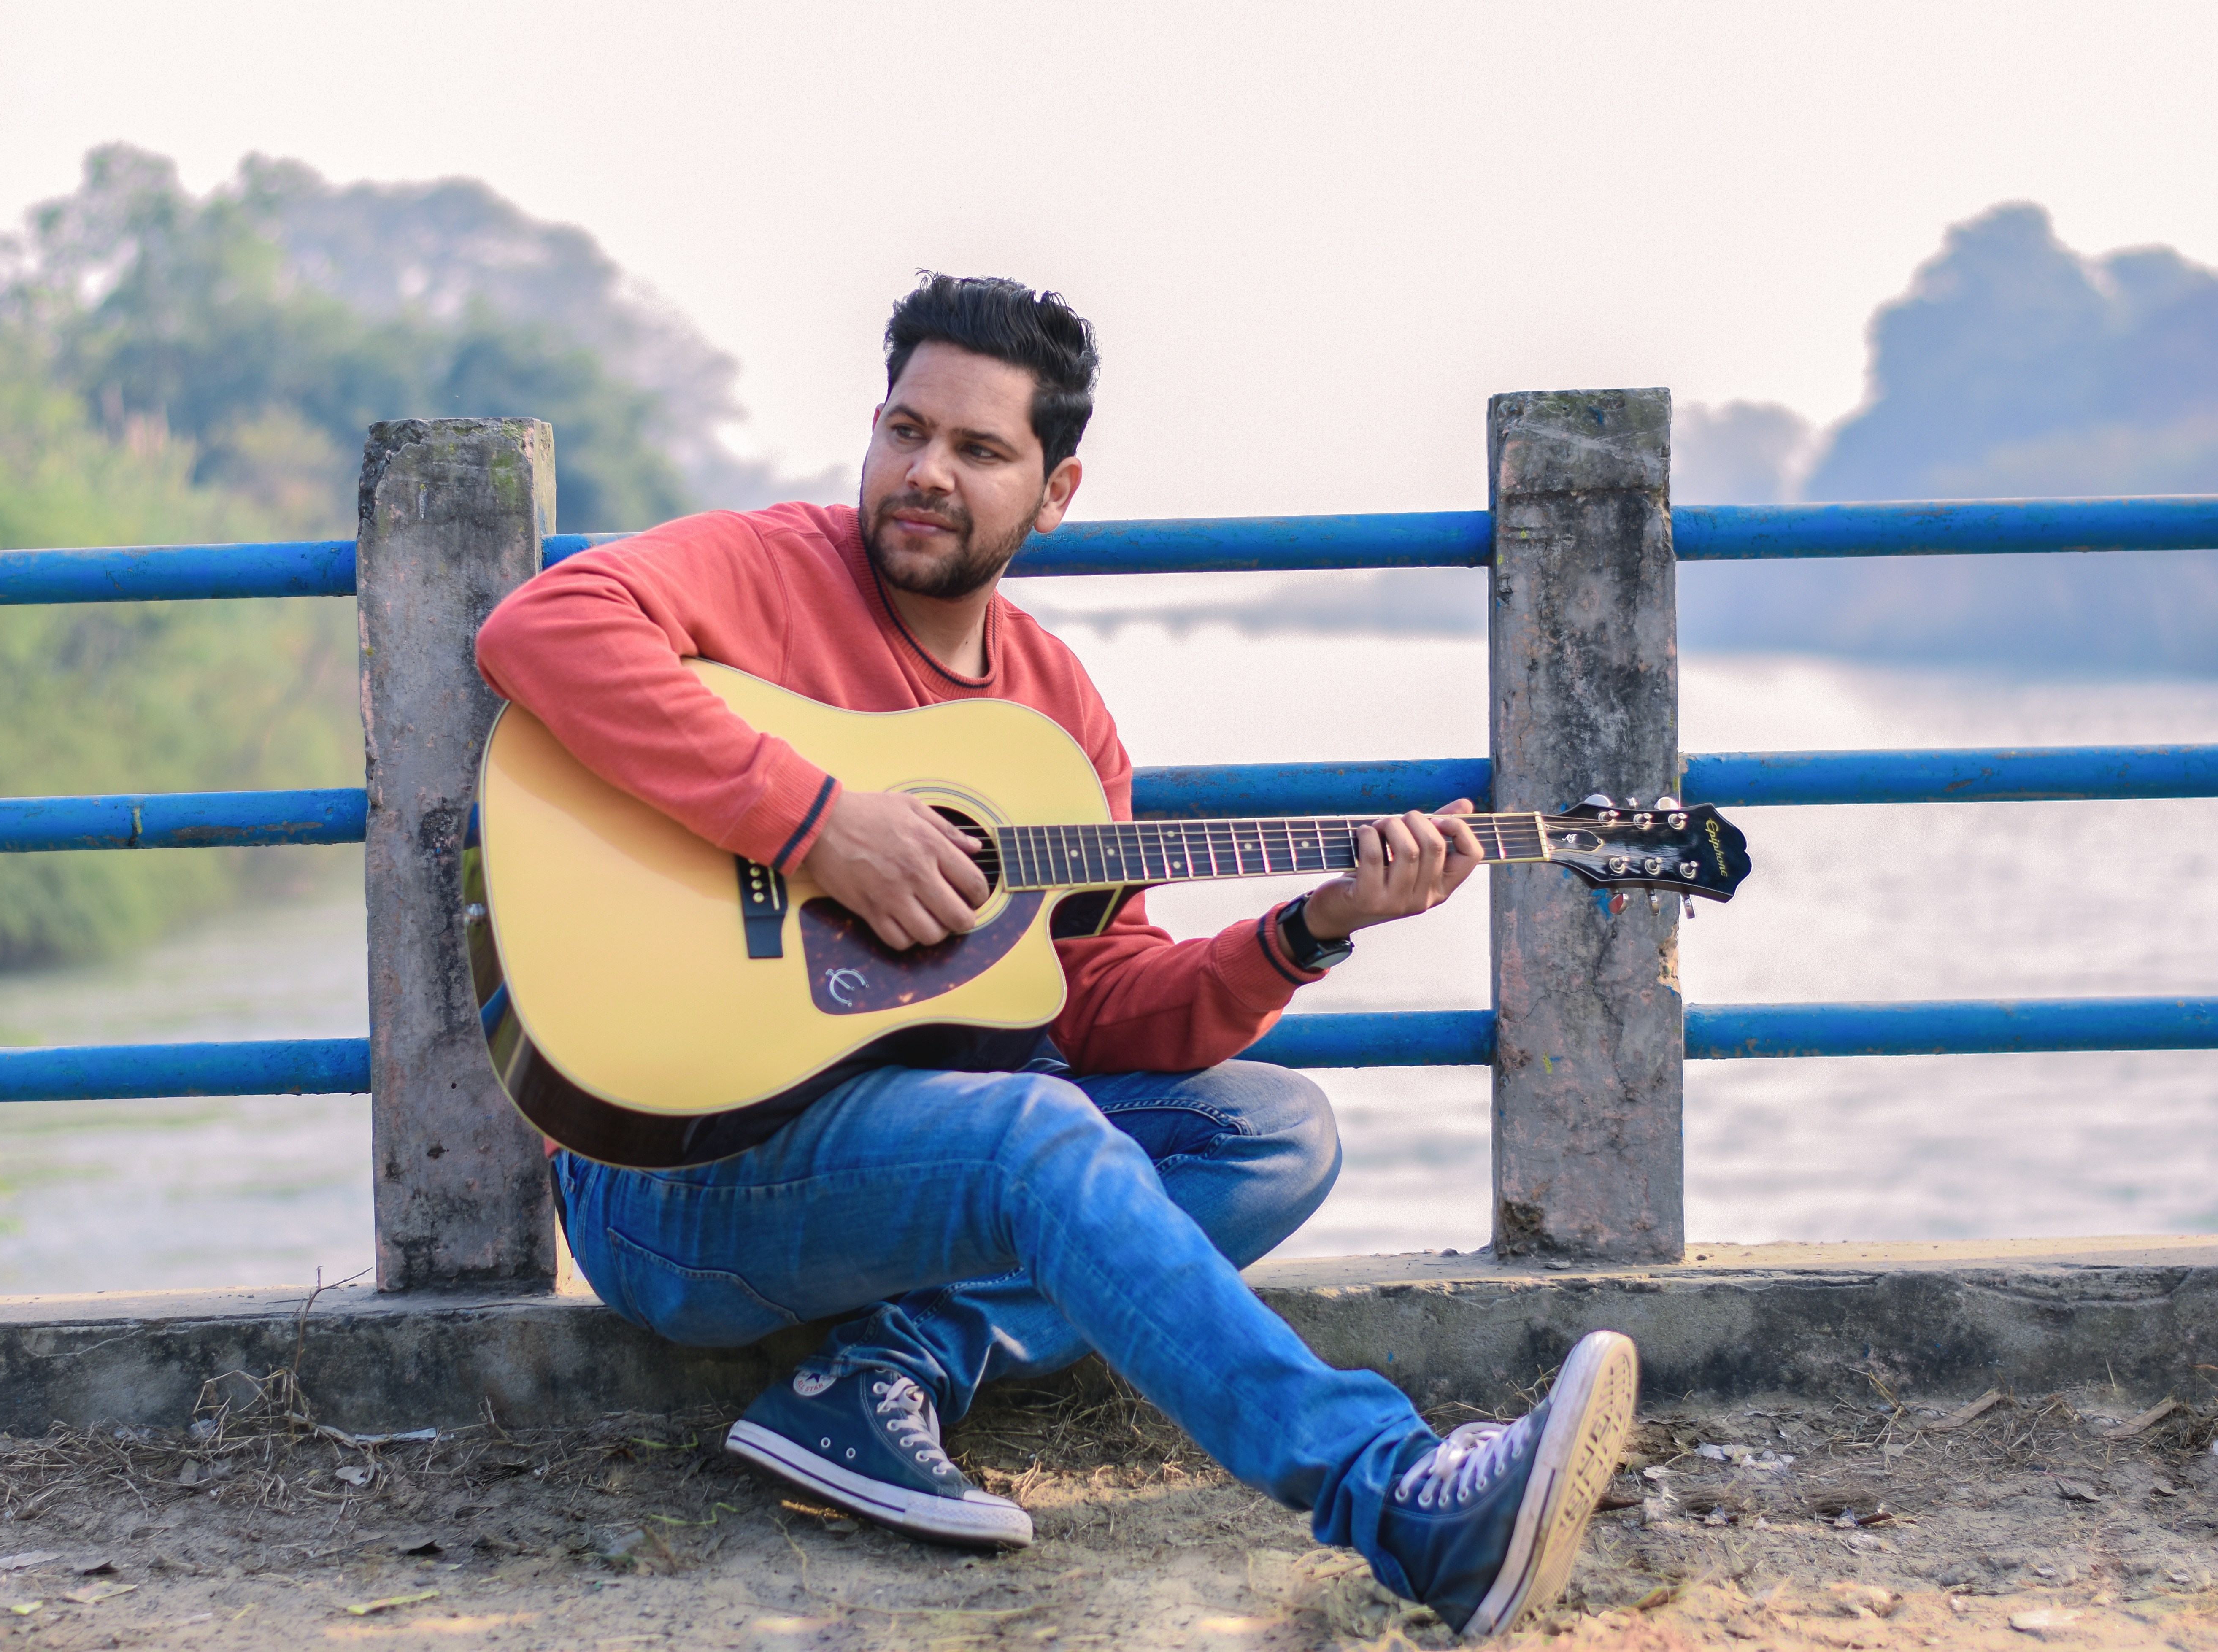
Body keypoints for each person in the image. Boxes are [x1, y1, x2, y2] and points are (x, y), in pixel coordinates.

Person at [473, 274, 1636, 1638]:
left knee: (1270, 1134)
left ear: (1055, 488)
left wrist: (1309, 930)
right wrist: (818, 823)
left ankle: (888, 1369)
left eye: (977, 450)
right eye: (907, 430)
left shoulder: (1056, 720)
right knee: (1031, 1137)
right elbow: (540, 628)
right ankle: (1402, 1500)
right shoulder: (772, 569)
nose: (925, 472)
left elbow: (1090, 1003)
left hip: (896, 1146)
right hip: (670, 1169)